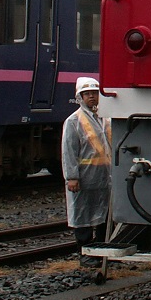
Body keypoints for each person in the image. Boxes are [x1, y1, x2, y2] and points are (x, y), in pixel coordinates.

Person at [61, 77, 112, 267]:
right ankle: (85, 253)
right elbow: (69, 151)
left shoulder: (104, 118)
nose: (92, 97)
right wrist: (72, 177)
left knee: (103, 215)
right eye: (87, 94)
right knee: (82, 215)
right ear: (80, 97)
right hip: (84, 177)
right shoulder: (73, 121)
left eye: (94, 93)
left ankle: (102, 252)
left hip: (104, 178)